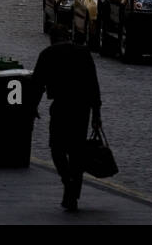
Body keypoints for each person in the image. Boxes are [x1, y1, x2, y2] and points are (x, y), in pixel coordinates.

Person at [32, 24, 102, 213]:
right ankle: (72, 194)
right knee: (77, 151)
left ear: (52, 38)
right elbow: (93, 84)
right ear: (68, 35)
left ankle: (67, 182)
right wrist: (97, 113)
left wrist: (33, 107)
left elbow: (37, 84)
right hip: (82, 107)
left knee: (57, 148)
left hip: (61, 106)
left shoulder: (47, 54)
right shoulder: (83, 53)